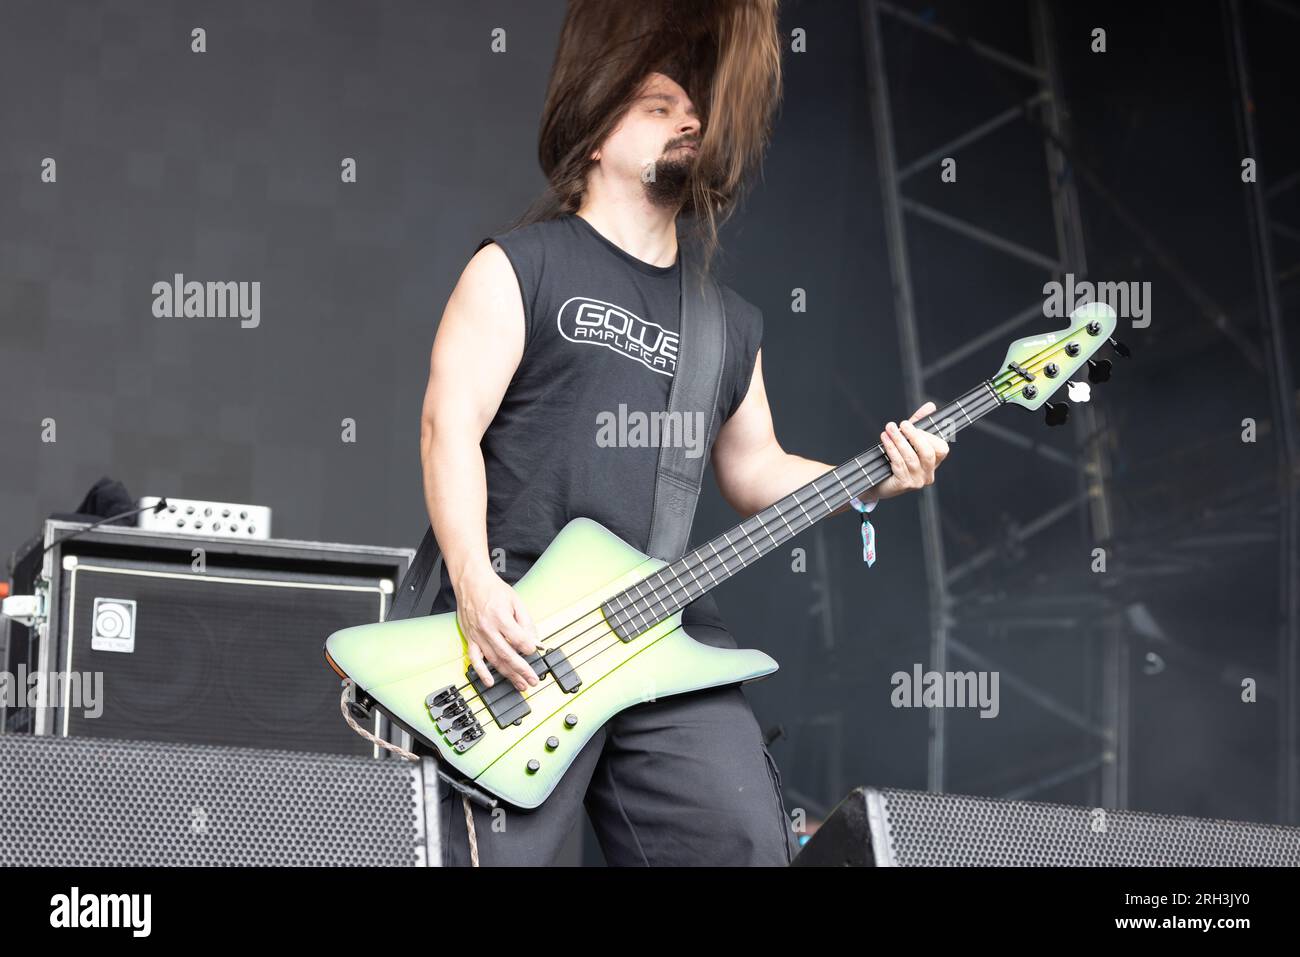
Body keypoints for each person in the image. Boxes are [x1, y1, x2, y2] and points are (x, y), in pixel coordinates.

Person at [417, 0, 949, 866]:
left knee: (738, 838)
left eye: (693, 111)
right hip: (517, 625)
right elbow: (449, 428)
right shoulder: (519, 266)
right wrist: (475, 585)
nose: (688, 121)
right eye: (659, 106)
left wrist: (878, 476)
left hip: (657, 630)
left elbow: (757, 470)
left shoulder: (727, 324)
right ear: (597, 131)